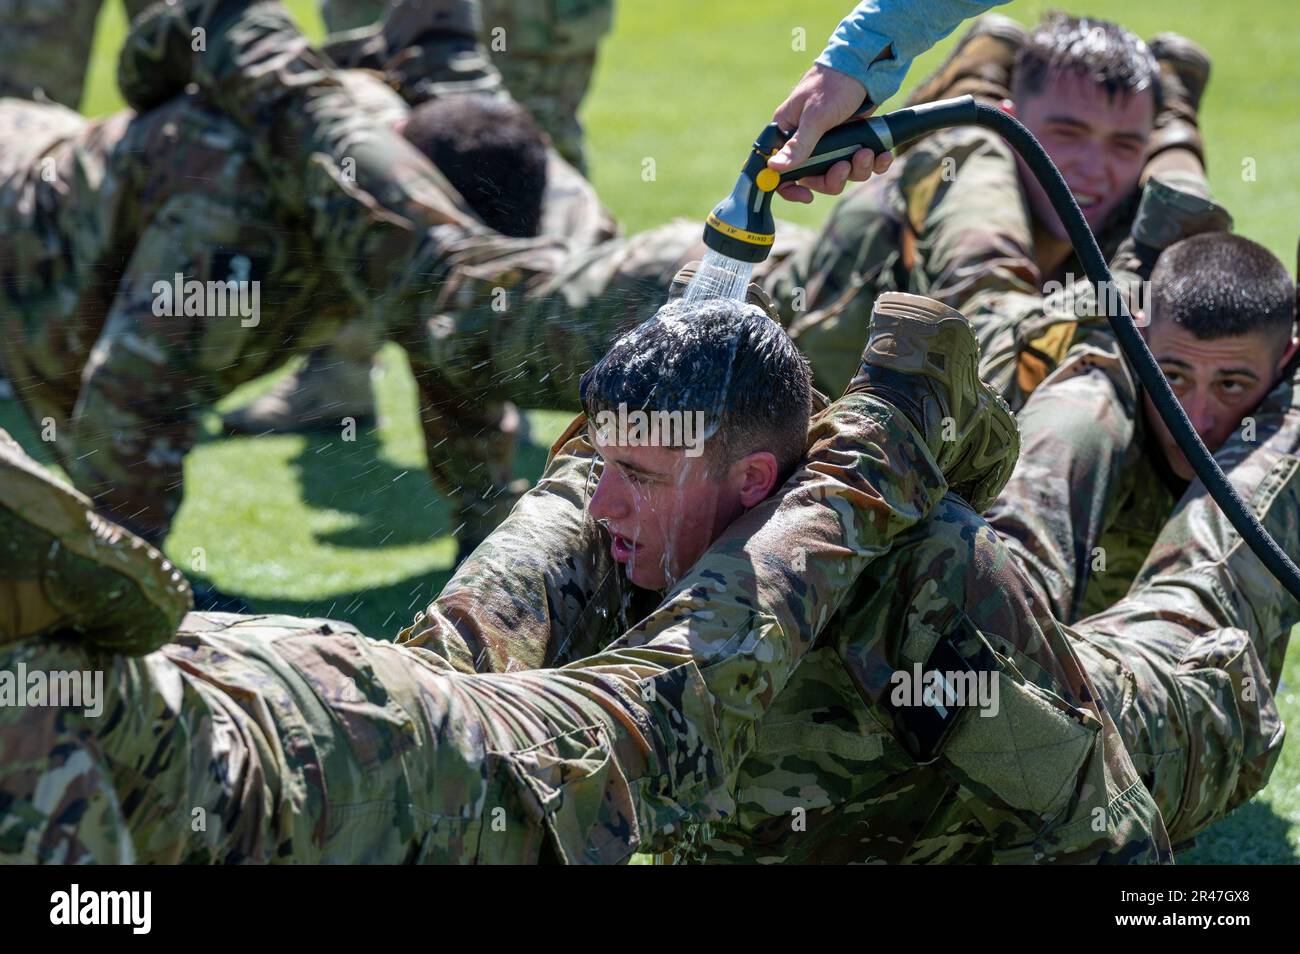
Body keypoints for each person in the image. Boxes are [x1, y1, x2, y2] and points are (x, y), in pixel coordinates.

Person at [2, 290, 1053, 863]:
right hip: (298, 695)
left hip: (331, 725)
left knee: (652, 712)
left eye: (636, 473)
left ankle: (890, 425)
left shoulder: (943, 572)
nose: (606, 508)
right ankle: (887, 419)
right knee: (521, 658)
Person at [765, 12, 1218, 404]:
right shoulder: (975, 165)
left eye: (1126, 144)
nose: (1095, 169)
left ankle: (973, 91)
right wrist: (1153, 240)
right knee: (963, 143)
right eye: (1067, 133)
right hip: (775, 322)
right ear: (1012, 123)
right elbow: (991, 353)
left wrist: (1173, 166)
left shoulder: (1119, 197)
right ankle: (971, 104)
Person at [988, 232, 1300, 624]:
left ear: (1285, 358)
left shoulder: (1286, 425)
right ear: (1141, 338)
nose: (1196, 421)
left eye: (1231, 385)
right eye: (1173, 377)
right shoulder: (1085, 415)